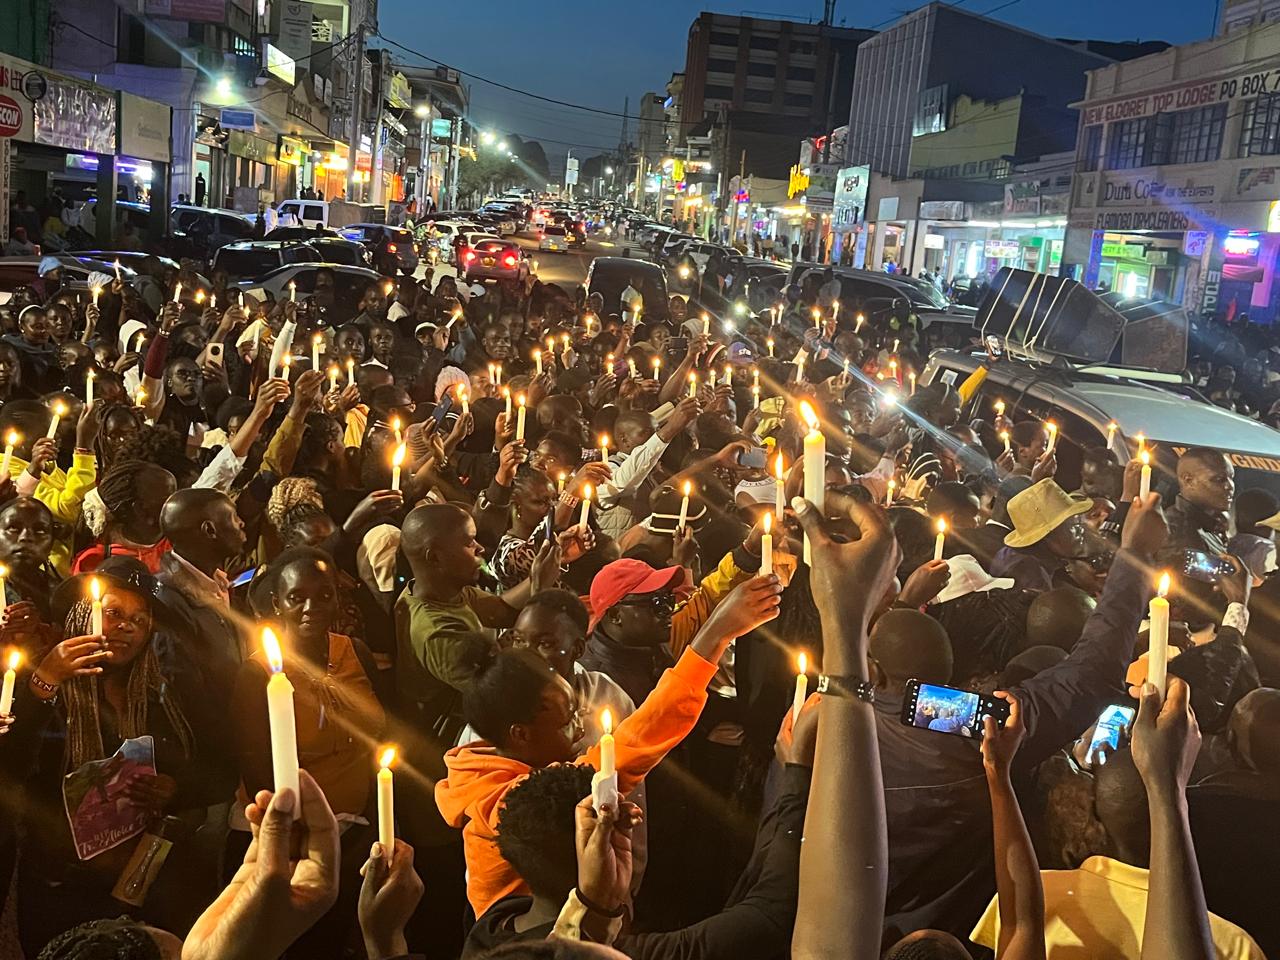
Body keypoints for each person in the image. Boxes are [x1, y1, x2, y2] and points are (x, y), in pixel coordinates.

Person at [991, 479, 1091, 592]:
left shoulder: (1016, 556)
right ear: (1046, 535)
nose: (1081, 530)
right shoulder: (1029, 572)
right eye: (1074, 525)